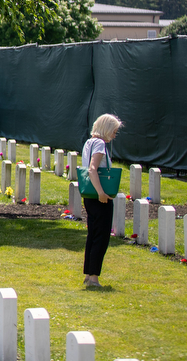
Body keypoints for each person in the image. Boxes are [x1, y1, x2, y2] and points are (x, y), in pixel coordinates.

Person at [81, 113, 122, 288]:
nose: (114, 135)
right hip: (99, 196)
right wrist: (102, 193)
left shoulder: (88, 142)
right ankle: (94, 277)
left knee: (93, 235)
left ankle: (89, 275)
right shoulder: (99, 143)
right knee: (101, 236)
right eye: (113, 131)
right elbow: (92, 169)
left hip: (89, 196)